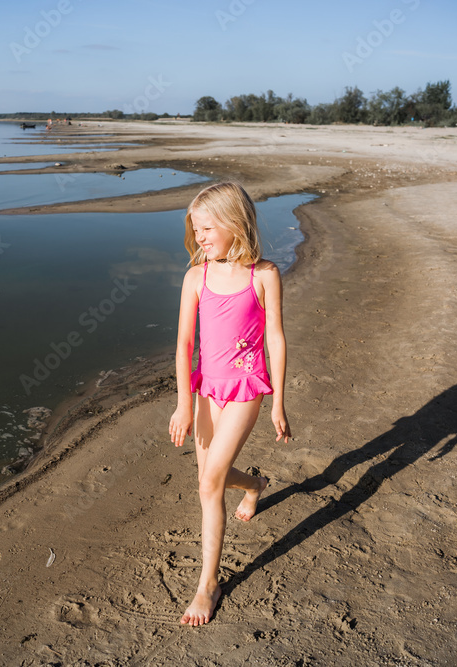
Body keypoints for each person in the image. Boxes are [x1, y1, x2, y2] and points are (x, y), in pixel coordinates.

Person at [168, 181, 292, 626]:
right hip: (206, 391)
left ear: (234, 223)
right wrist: (184, 405)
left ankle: (208, 586)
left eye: (205, 228)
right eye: (194, 229)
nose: (198, 237)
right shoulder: (196, 276)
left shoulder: (264, 275)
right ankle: (256, 485)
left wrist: (278, 402)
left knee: (207, 486)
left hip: (245, 390)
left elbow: (275, 339)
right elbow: (184, 345)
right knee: (210, 477)